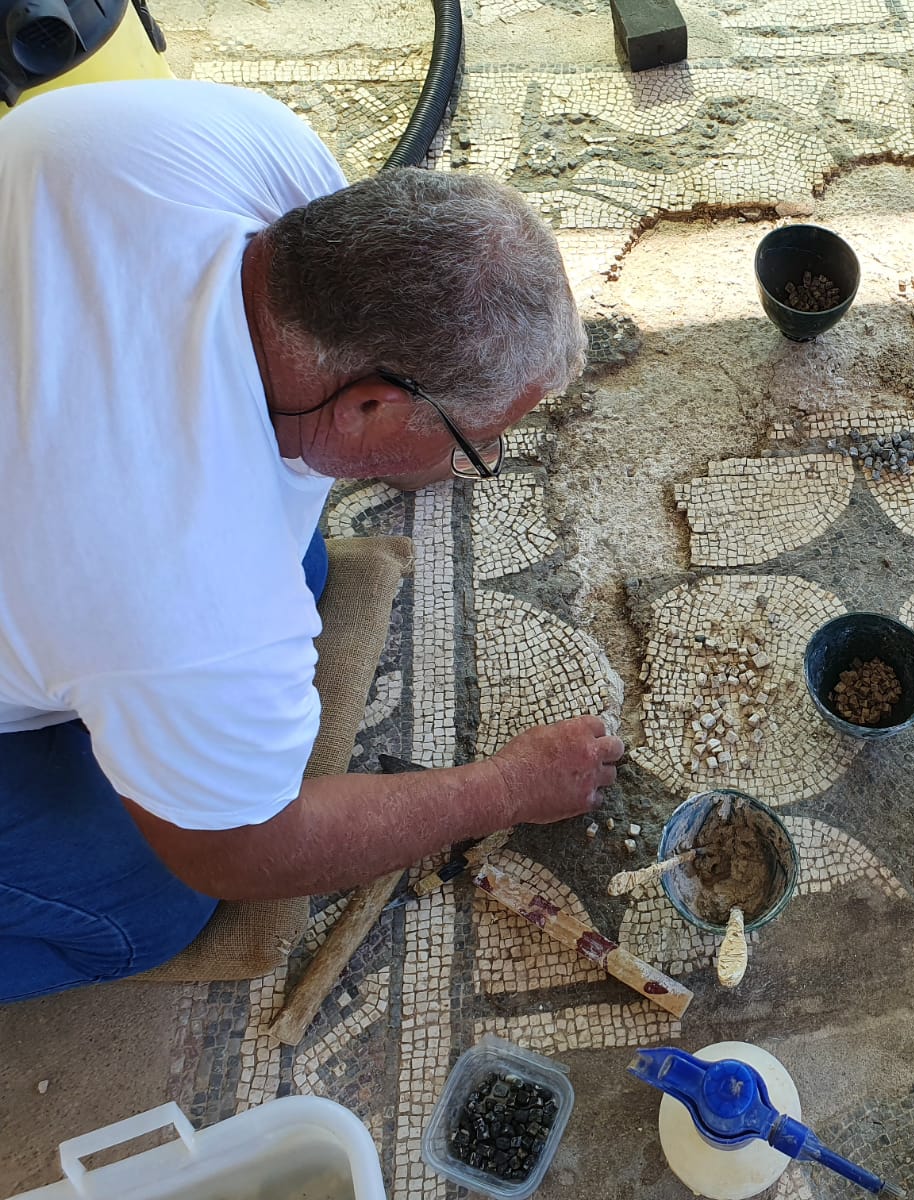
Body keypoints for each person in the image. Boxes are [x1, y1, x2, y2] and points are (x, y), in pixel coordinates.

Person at [0, 79, 623, 1002]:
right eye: (472, 443)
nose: (472, 464)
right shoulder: (198, 591)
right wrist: (502, 789)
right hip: (93, 555)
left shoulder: (254, 150)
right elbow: (244, 851)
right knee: (151, 904)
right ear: (375, 404)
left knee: (309, 568)